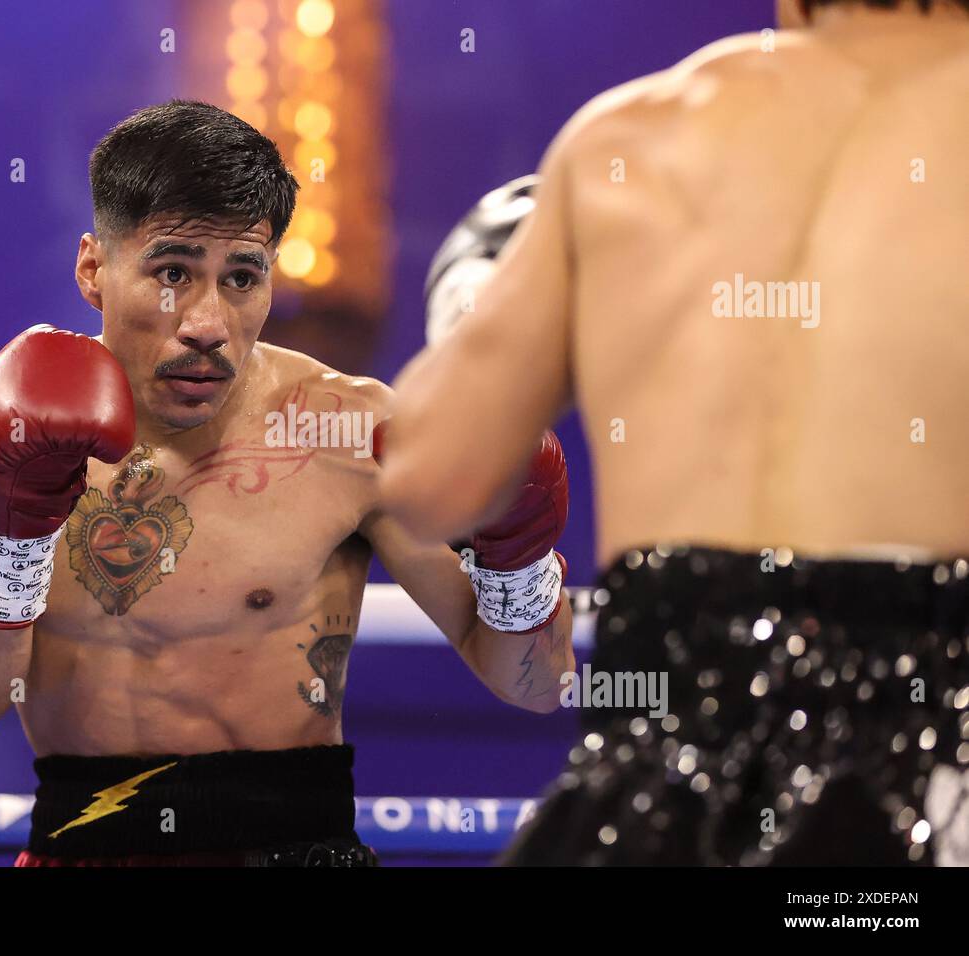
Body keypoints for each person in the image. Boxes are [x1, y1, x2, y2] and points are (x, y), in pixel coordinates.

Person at [0, 99, 574, 867]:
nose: (208, 322)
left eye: (242, 276)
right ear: (93, 268)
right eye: (173, 272)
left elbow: (536, 685)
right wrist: (12, 543)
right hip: (79, 844)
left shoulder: (354, 433)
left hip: (295, 848)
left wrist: (517, 561)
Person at [382, 0, 969, 865]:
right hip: (927, 783)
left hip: (654, 788)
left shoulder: (628, 138)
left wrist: (475, 304)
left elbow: (431, 482)